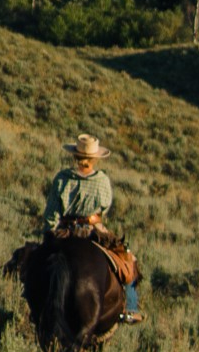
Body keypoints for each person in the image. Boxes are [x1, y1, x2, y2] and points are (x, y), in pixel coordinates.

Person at [43, 133, 141, 323]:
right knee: (128, 259)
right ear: (95, 159)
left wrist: (49, 234)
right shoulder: (102, 180)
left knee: (37, 261)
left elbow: (51, 215)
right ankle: (130, 307)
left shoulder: (62, 178)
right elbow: (105, 207)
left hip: (65, 230)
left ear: (75, 156)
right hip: (93, 230)